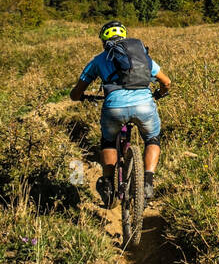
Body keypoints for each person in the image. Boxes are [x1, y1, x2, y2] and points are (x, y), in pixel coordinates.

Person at [70, 21, 171, 206]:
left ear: (103, 41)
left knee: (108, 141)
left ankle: (108, 184)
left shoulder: (98, 60)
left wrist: (79, 96)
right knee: (152, 139)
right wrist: (160, 93)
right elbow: (166, 82)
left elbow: (77, 91)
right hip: (145, 105)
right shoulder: (142, 56)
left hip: (114, 107)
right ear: (125, 38)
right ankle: (148, 181)